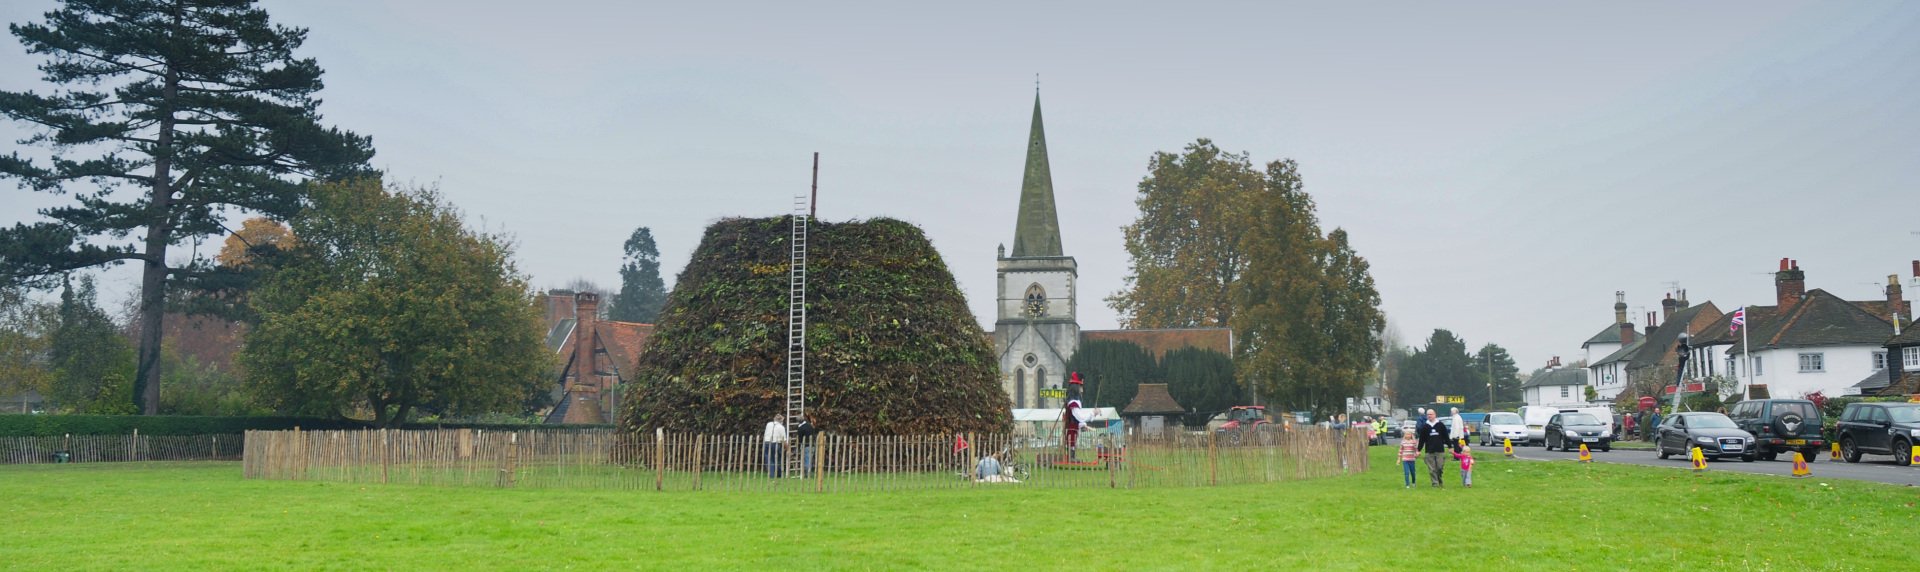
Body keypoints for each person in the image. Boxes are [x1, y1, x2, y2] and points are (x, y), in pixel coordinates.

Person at [1416, 409, 1453, 487]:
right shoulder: (1425, 426)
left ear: (1435, 415)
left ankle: (1439, 480)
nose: (1429, 416)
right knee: (1432, 469)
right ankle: (1435, 483)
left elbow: (1446, 437)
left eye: (1431, 414)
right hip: (1429, 451)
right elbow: (1422, 439)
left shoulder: (1440, 425)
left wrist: (1450, 447)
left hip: (1440, 450)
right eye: (1428, 414)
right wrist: (1418, 450)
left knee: (1439, 467)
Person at [762, 413, 787, 479]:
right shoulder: (781, 427)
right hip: (775, 443)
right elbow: (784, 440)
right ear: (781, 421)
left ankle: (772, 474)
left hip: (767, 442)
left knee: (769, 459)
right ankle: (778, 474)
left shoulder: (768, 424)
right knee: (777, 459)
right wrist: (787, 448)